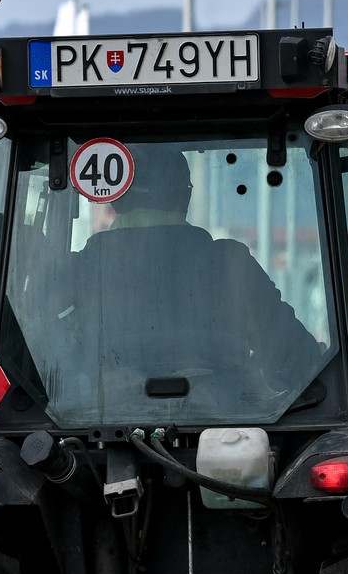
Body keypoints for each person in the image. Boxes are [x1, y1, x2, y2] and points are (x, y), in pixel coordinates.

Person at [70, 147, 325, 399]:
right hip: (229, 430)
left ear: (116, 200)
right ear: (185, 198)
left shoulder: (80, 270)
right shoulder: (231, 266)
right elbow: (297, 363)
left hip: (98, 431)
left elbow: (54, 368)